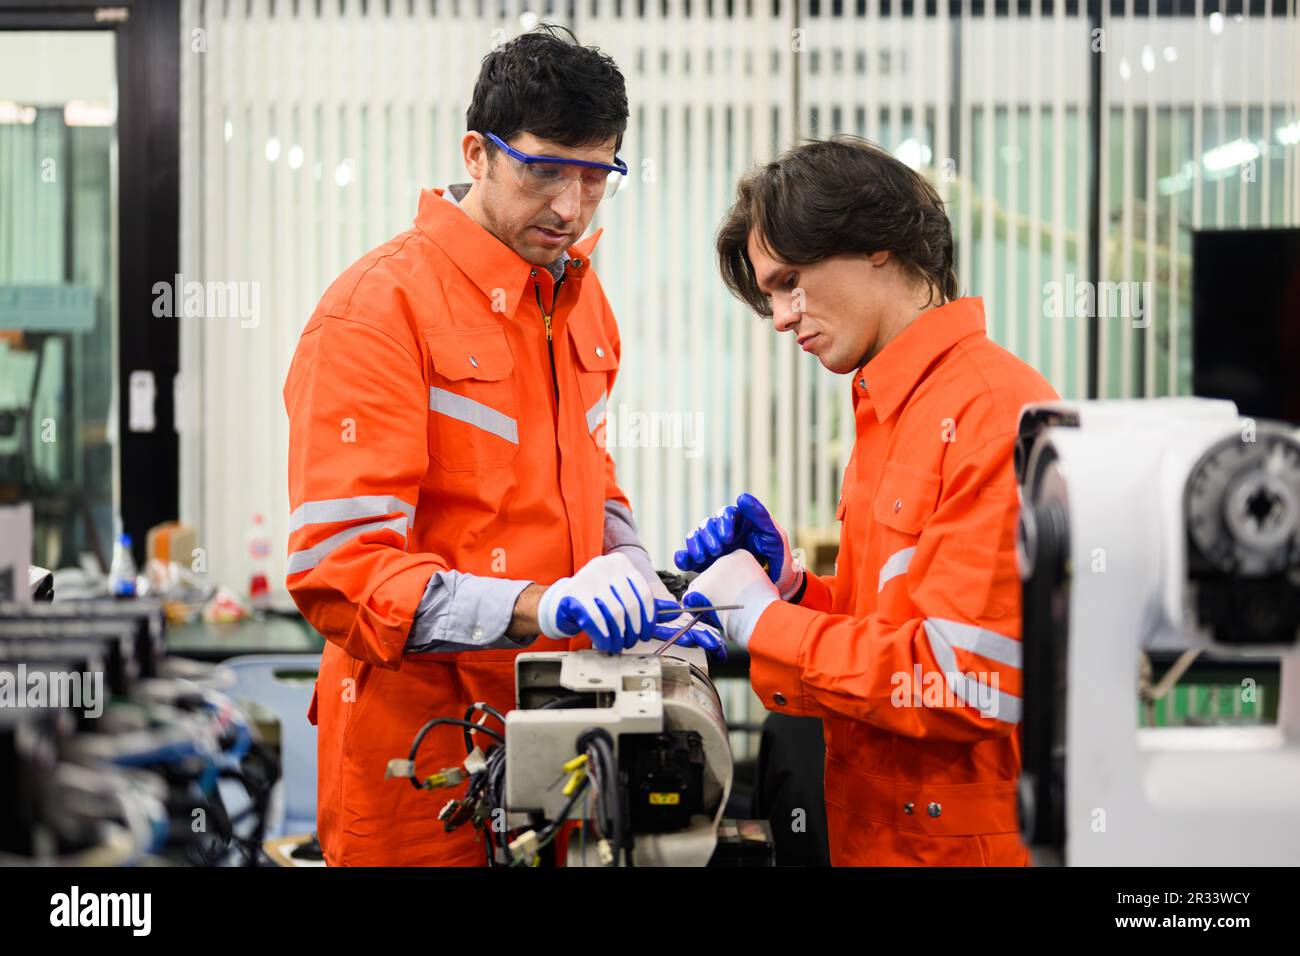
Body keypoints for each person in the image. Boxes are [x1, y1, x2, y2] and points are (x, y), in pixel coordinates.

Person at [283, 26, 718, 867]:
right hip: (423, 773)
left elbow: (589, 466)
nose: (571, 207)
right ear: (476, 154)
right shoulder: (376, 314)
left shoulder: (578, 297)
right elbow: (339, 570)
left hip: (564, 748)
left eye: (598, 176)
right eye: (546, 169)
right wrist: (539, 607)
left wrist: (625, 554)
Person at [677, 136, 1059, 866]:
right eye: (771, 295)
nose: (782, 317)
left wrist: (764, 622)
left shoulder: (990, 411)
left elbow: (962, 682)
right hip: (875, 833)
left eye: (790, 282)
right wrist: (794, 590)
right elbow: (888, 637)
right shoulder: (888, 407)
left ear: (877, 245)